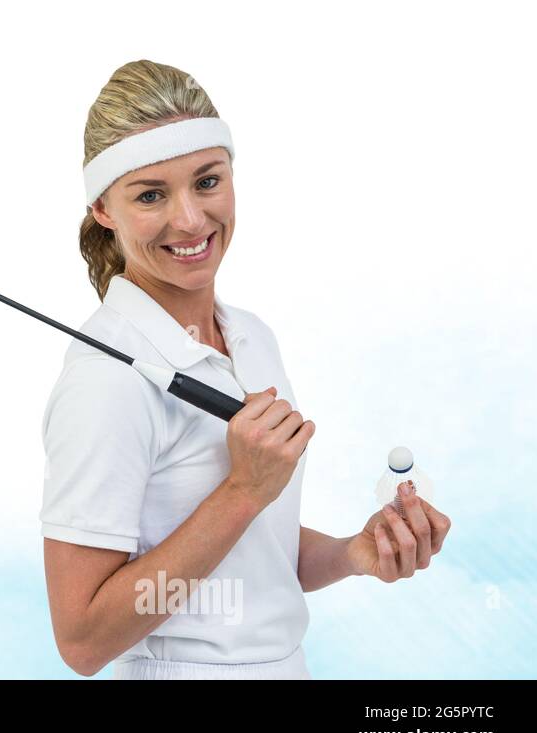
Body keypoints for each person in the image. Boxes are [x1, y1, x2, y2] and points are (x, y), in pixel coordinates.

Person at [39, 60, 452, 679]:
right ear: (103, 208)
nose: (190, 220)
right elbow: (83, 640)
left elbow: (249, 565)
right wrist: (242, 491)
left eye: (207, 181)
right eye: (150, 194)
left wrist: (351, 554)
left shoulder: (252, 338)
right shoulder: (105, 381)